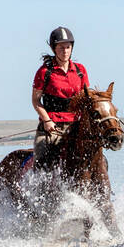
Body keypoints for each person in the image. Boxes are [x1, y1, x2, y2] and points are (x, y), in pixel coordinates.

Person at [32, 26, 91, 167]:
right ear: (54, 49)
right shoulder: (44, 71)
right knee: (42, 155)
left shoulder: (80, 70)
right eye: (61, 48)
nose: (65, 51)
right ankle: (38, 187)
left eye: (68, 47)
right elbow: (35, 101)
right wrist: (46, 121)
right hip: (53, 126)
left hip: (76, 125)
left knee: (99, 159)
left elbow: (86, 98)